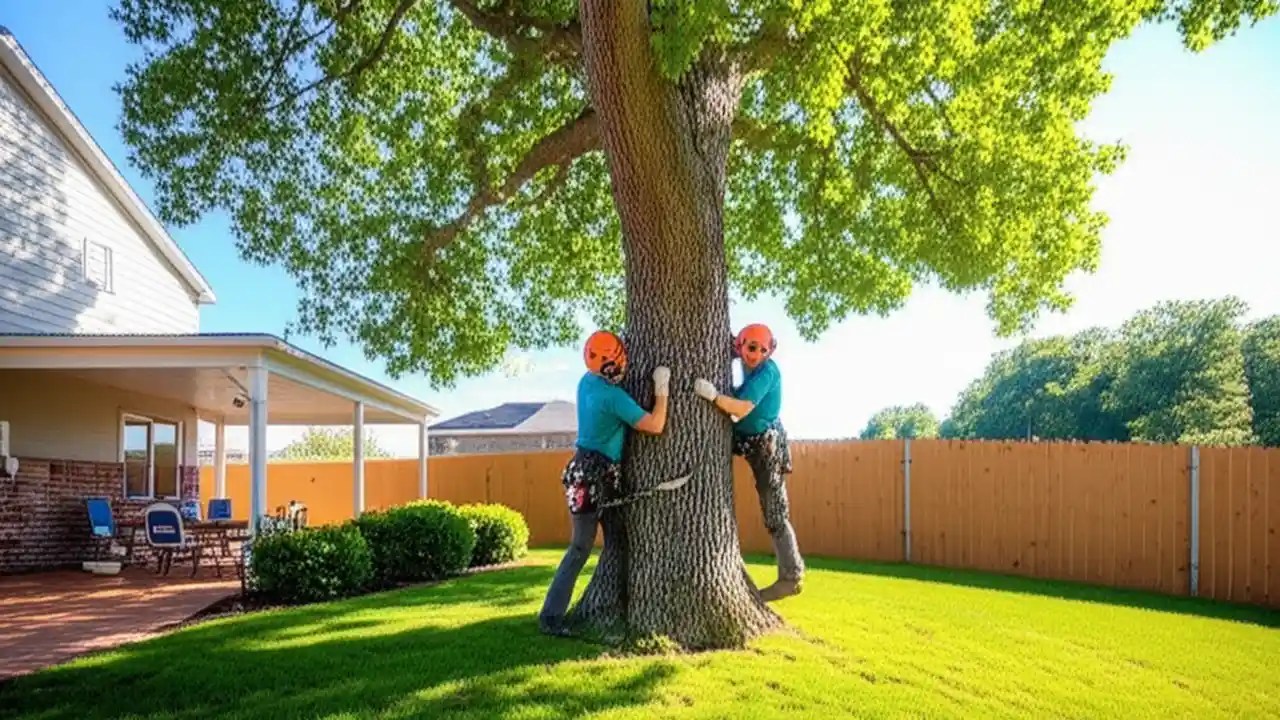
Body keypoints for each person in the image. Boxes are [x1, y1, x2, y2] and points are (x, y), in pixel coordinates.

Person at [539, 330, 670, 635]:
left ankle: (620, 602)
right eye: (619, 361)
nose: (624, 366)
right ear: (609, 367)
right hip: (594, 478)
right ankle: (550, 617)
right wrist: (661, 389)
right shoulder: (612, 397)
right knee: (581, 547)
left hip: (584, 471)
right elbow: (655, 424)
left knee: (617, 538)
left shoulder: (587, 382)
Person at [694, 323, 803, 601]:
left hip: (765, 445)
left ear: (770, 350)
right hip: (740, 437)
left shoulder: (768, 371)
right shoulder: (745, 360)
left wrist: (715, 397)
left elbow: (742, 408)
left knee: (775, 512)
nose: (754, 354)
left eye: (761, 350)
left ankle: (791, 577)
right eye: (750, 348)